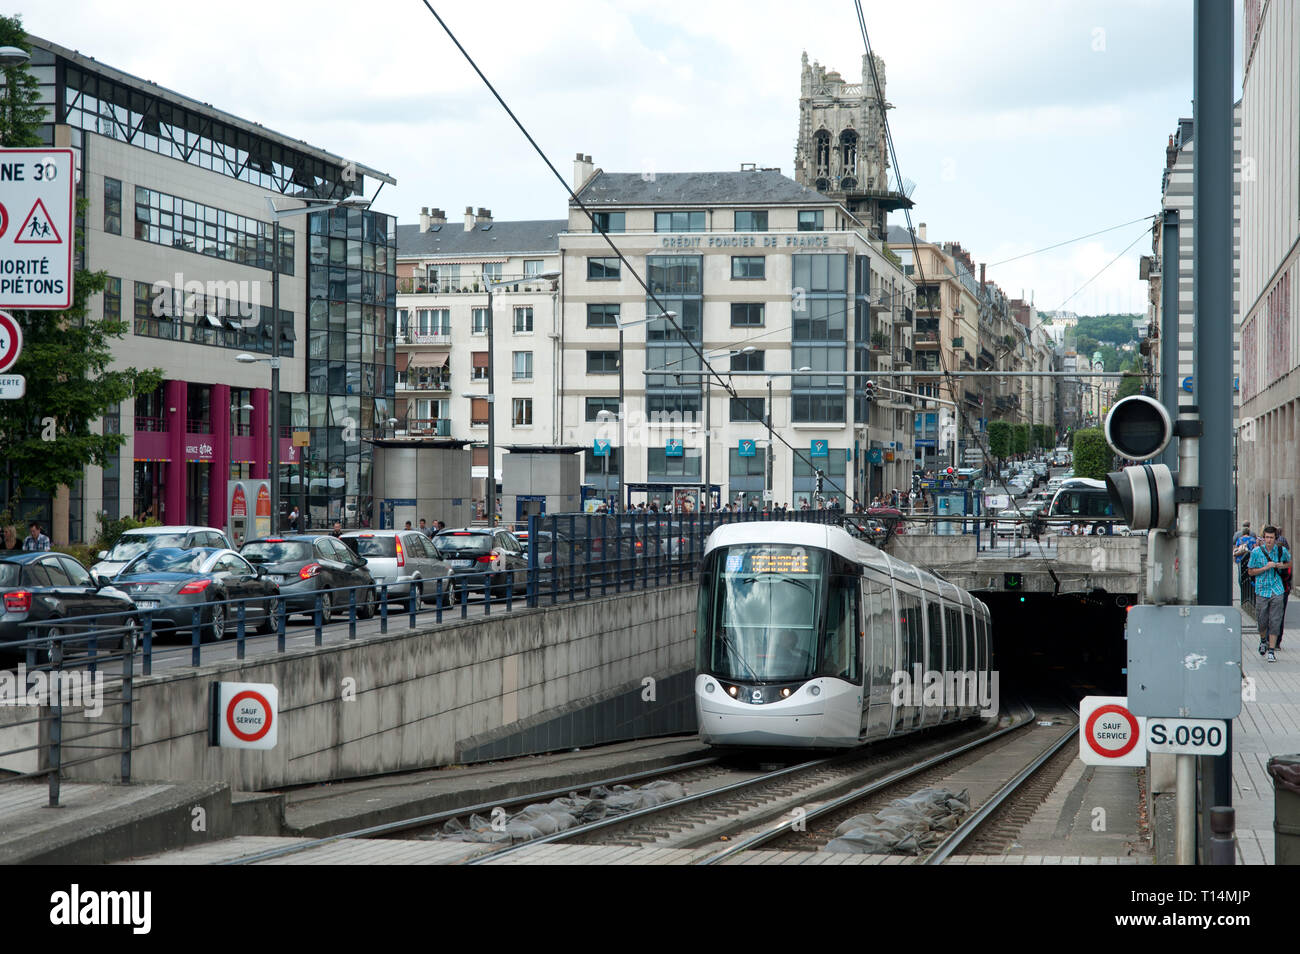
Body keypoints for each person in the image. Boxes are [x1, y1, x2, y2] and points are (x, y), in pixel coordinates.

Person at [1247, 526, 1291, 662]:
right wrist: (1265, 567)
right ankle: (1262, 640)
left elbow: (1289, 563)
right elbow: (1250, 571)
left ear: (1275, 539)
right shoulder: (1256, 552)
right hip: (1261, 589)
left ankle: (1271, 650)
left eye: (1271, 538)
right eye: (1267, 537)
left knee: (1275, 620)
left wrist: (1279, 565)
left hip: (1277, 589)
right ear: (1263, 538)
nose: (1269, 540)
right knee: (1261, 620)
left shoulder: (1281, 550)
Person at [1233, 523, 1258, 611]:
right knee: (1250, 575)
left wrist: (1235, 557)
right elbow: (1255, 549)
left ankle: (1243, 588)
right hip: (1250, 559)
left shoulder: (1240, 539)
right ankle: (1250, 588)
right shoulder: (1253, 539)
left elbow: (1236, 549)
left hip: (1241, 560)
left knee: (1241, 576)